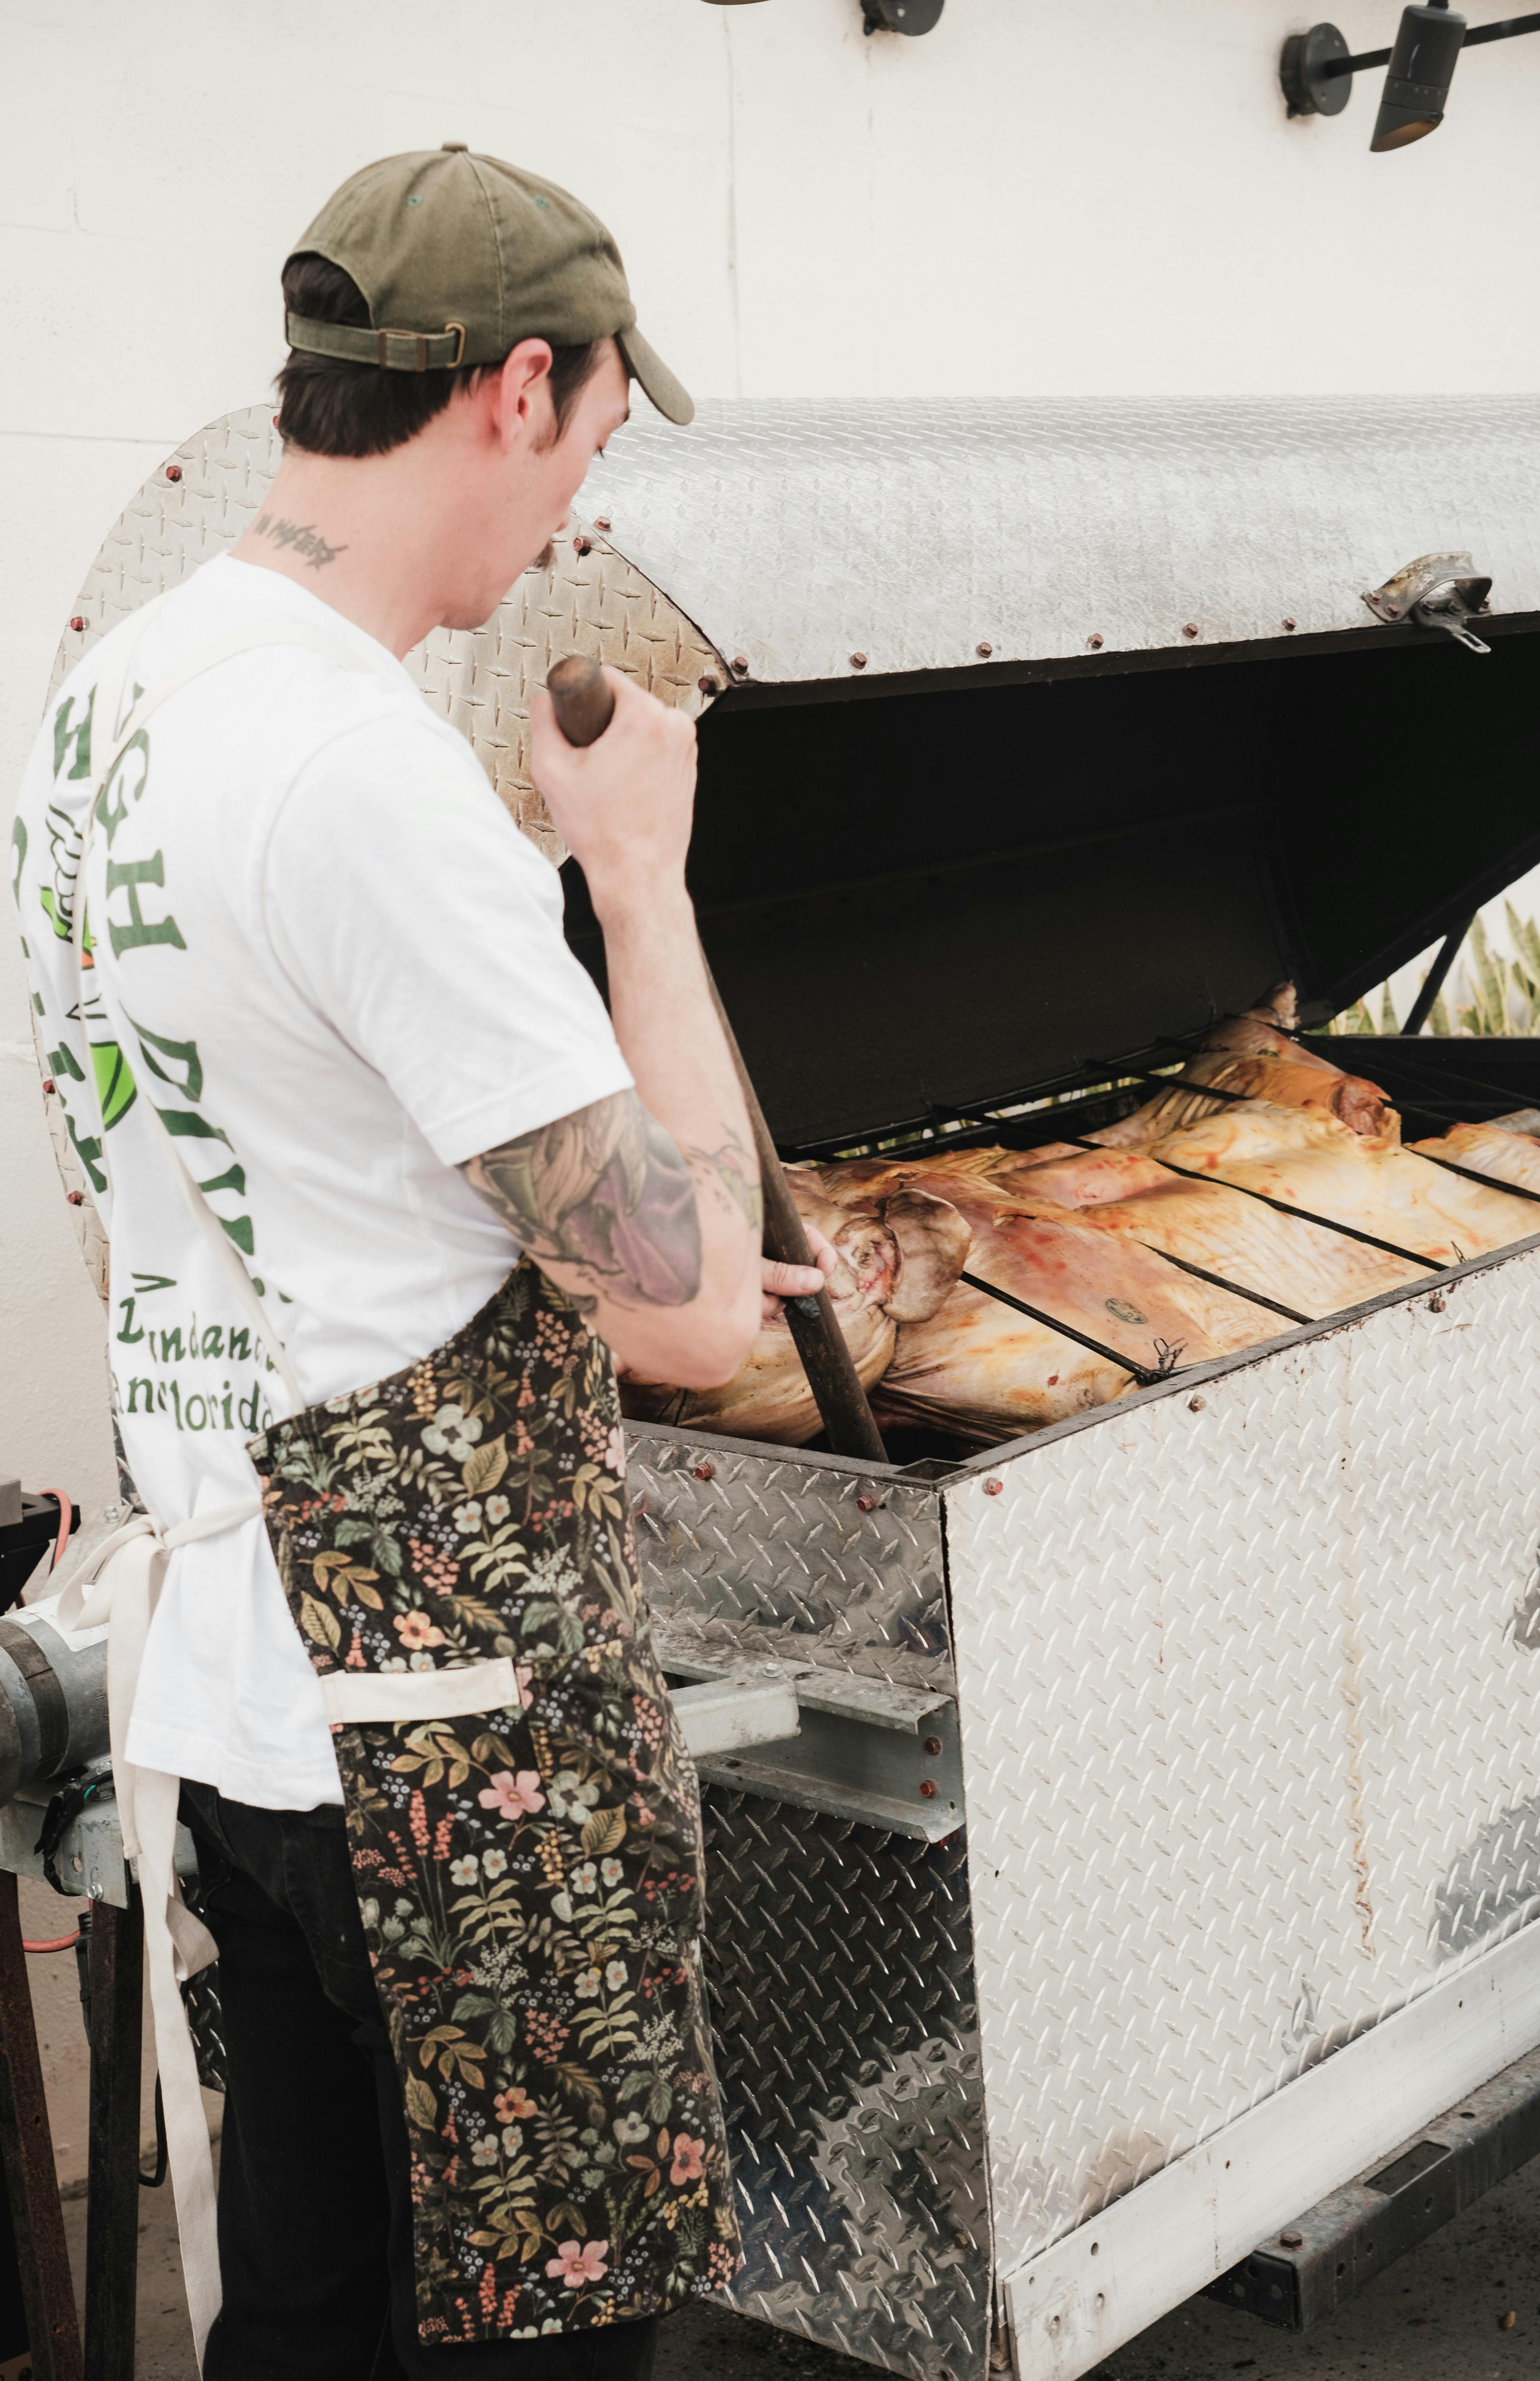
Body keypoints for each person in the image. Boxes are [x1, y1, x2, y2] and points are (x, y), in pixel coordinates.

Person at [12, 146, 832, 2380]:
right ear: (514, 388)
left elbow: (271, 1147)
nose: (576, 507)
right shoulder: (364, 774)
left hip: (248, 1706)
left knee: (305, 2319)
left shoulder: (117, 703)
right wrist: (636, 879)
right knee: (543, 2342)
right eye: (588, 442)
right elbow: (669, 1300)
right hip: (449, 1743)